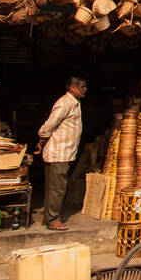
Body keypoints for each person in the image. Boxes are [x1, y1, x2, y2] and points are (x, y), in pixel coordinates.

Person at [36, 76, 87, 231]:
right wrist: (42, 139)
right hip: (59, 152)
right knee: (57, 188)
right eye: (83, 86)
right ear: (73, 88)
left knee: (54, 187)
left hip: (63, 152)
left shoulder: (74, 103)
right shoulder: (65, 103)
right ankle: (53, 219)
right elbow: (50, 124)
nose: (85, 89)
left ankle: (50, 217)